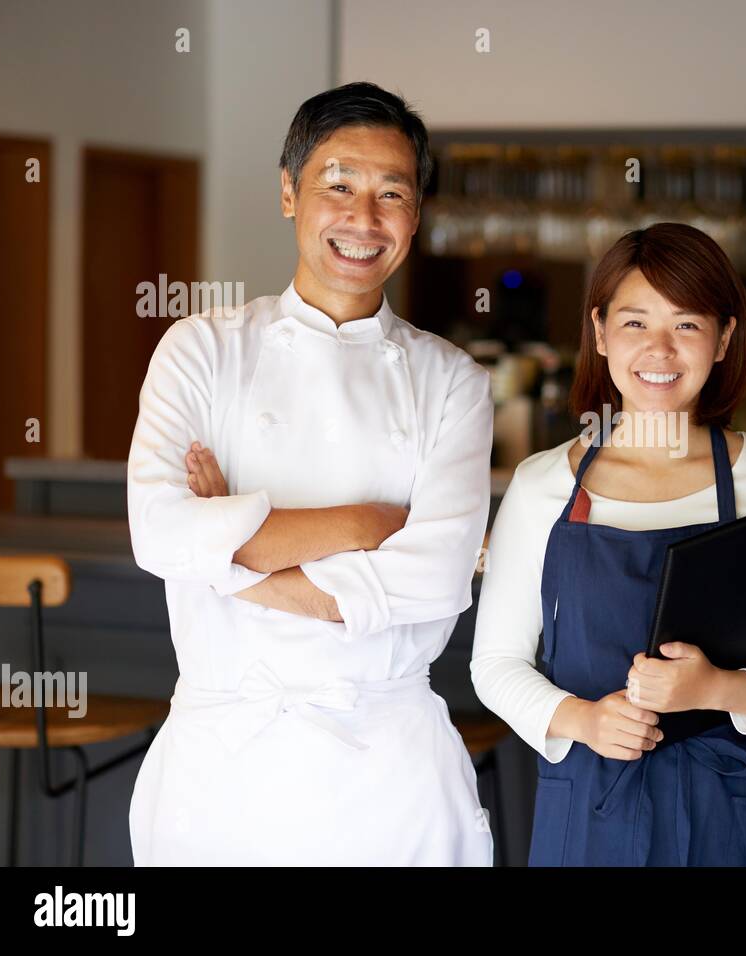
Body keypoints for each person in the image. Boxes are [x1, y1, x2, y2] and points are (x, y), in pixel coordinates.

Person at [126, 82, 494, 865]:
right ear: (289, 192)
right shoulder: (202, 349)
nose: (364, 219)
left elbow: (432, 581)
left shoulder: (453, 380)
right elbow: (161, 533)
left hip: (386, 777)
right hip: (221, 773)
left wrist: (227, 554)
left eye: (392, 192)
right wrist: (365, 528)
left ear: (417, 212)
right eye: (338, 185)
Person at [471, 222, 746, 866]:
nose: (660, 350)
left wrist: (718, 689)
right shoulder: (541, 487)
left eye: (687, 325)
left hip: (733, 809)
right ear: (600, 331)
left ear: (725, 337)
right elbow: (495, 666)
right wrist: (583, 721)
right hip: (592, 806)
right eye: (636, 323)